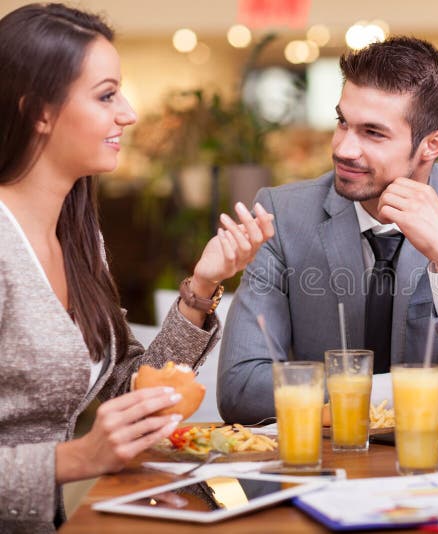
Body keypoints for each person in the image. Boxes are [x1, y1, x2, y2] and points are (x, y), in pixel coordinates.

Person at [0, 4, 274, 533]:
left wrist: (202, 286)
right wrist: (78, 458)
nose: (127, 113)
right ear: (38, 111)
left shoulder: (77, 236)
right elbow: (87, 448)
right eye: (106, 95)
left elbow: (129, 390)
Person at [219, 36, 438, 423]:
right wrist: (400, 394)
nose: (344, 149)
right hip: (321, 467)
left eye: (373, 133)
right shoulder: (283, 213)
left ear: (431, 145)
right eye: (343, 122)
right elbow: (241, 390)